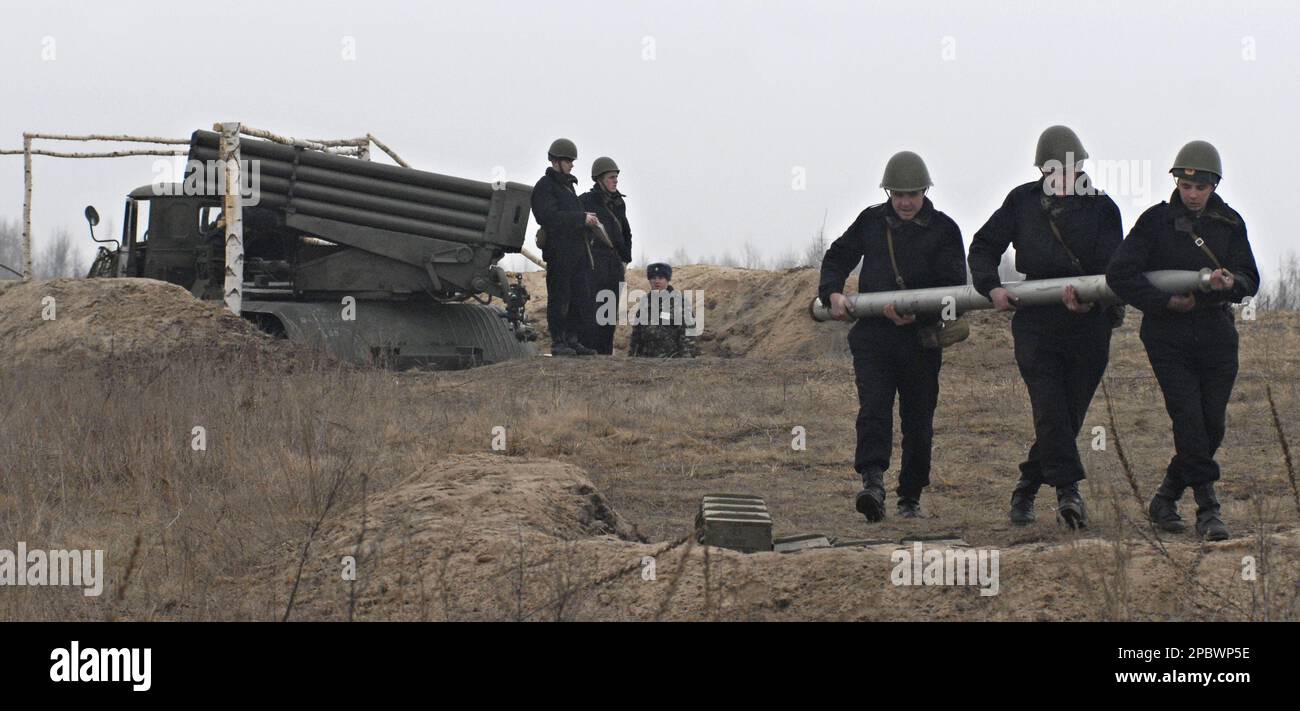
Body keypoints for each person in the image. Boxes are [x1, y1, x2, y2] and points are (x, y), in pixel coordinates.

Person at [967, 125, 1123, 529]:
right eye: (1055, 169)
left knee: (1066, 418)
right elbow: (983, 246)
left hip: (1088, 326)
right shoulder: (1021, 202)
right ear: (1042, 170)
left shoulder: (1104, 209)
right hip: (1037, 322)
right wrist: (992, 288)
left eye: (1072, 168)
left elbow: (1112, 271)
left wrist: (1090, 300)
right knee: (1052, 410)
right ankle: (1069, 493)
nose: (1064, 177)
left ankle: (1027, 484)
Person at [1105, 140, 1259, 541]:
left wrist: (1232, 284)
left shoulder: (1230, 223)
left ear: (1213, 186)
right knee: (1189, 420)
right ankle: (1208, 509)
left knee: (1212, 426)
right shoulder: (1155, 221)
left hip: (1216, 334)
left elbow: (1250, 278)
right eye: (1186, 185)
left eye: (1200, 187)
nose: (1192, 194)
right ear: (1176, 182)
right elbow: (1120, 274)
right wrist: (1164, 302)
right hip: (1167, 336)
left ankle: (1165, 497)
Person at [819, 151, 967, 521]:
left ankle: (911, 496)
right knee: (873, 412)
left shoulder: (945, 230)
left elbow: (955, 297)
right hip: (874, 339)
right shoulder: (871, 221)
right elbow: (837, 257)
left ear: (925, 192)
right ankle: (872, 484)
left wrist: (919, 314)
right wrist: (833, 293)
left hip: (920, 342)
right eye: (897, 194)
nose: (904, 202)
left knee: (918, 421)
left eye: (912, 194)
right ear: (888, 192)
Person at [530, 138, 600, 356]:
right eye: (568, 160)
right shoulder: (545, 186)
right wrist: (581, 218)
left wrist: (588, 224)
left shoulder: (568, 187)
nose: (571, 164)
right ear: (556, 161)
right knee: (560, 298)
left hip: (578, 253)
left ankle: (572, 340)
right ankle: (559, 342)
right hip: (560, 253)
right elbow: (547, 216)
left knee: (578, 298)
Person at [580, 157, 633, 354]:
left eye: (616, 177)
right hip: (595, 262)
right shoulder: (586, 201)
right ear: (599, 179)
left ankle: (605, 352)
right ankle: (589, 351)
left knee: (609, 313)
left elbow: (626, 232)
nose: (615, 181)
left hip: (614, 263)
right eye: (611, 177)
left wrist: (626, 258)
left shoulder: (618, 203)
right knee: (592, 311)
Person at [629, 263, 696, 358]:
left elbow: (688, 335)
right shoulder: (644, 304)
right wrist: (632, 358)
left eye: (661, 278)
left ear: (667, 280)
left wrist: (684, 362)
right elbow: (636, 336)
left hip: (671, 362)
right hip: (645, 363)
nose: (657, 281)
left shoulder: (679, 304)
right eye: (653, 278)